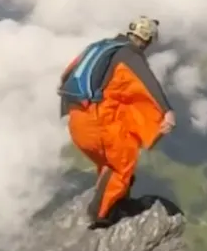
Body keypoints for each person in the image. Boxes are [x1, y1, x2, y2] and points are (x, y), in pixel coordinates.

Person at [58, 16, 177, 228]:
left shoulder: (101, 47)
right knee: (122, 163)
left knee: (111, 160)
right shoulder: (129, 55)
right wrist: (167, 112)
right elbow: (148, 83)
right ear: (147, 39)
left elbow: (67, 75)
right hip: (96, 120)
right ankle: (100, 215)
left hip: (78, 118)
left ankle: (118, 201)